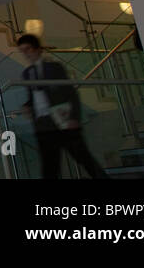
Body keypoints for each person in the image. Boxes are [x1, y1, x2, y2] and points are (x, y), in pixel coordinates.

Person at [17, 33, 107, 179]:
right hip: (42, 125)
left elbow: (69, 93)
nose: (26, 54)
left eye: (28, 49)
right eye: (22, 51)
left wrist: (73, 117)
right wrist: (27, 106)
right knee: (49, 167)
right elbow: (32, 96)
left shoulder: (54, 67)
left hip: (62, 120)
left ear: (37, 49)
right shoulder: (27, 73)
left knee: (84, 159)